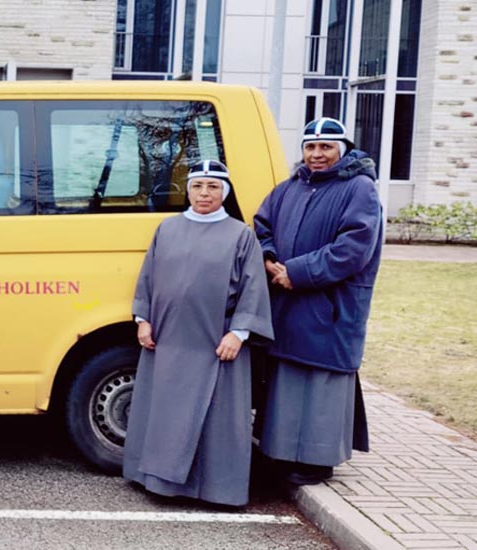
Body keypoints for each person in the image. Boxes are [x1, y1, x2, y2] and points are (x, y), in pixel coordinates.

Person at [123, 160, 273, 507]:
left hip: (216, 344)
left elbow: (253, 289)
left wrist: (238, 333)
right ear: (188, 189)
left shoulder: (241, 235)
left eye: (213, 187)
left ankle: (213, 489)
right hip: (169, 342)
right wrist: (143, 319)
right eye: (198, 186)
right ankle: (158, 482)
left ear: (225, 192)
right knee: (165, 413)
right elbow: (148, 277)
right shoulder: (167, 229)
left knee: (214, 419)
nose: (204, 193)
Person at [254, 118, 382, 486]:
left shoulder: (360, 189)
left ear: (342, 150)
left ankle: (317, 460)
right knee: (288, 381)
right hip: (289, 305)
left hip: (330, 305)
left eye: (326, 147)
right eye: (310, 147)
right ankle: (280, 455)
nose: (316, 155)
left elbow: (353, 248)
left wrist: (296, 272)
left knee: (322, 382)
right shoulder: (288, 188)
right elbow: (262, 225)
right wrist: (269, 256)